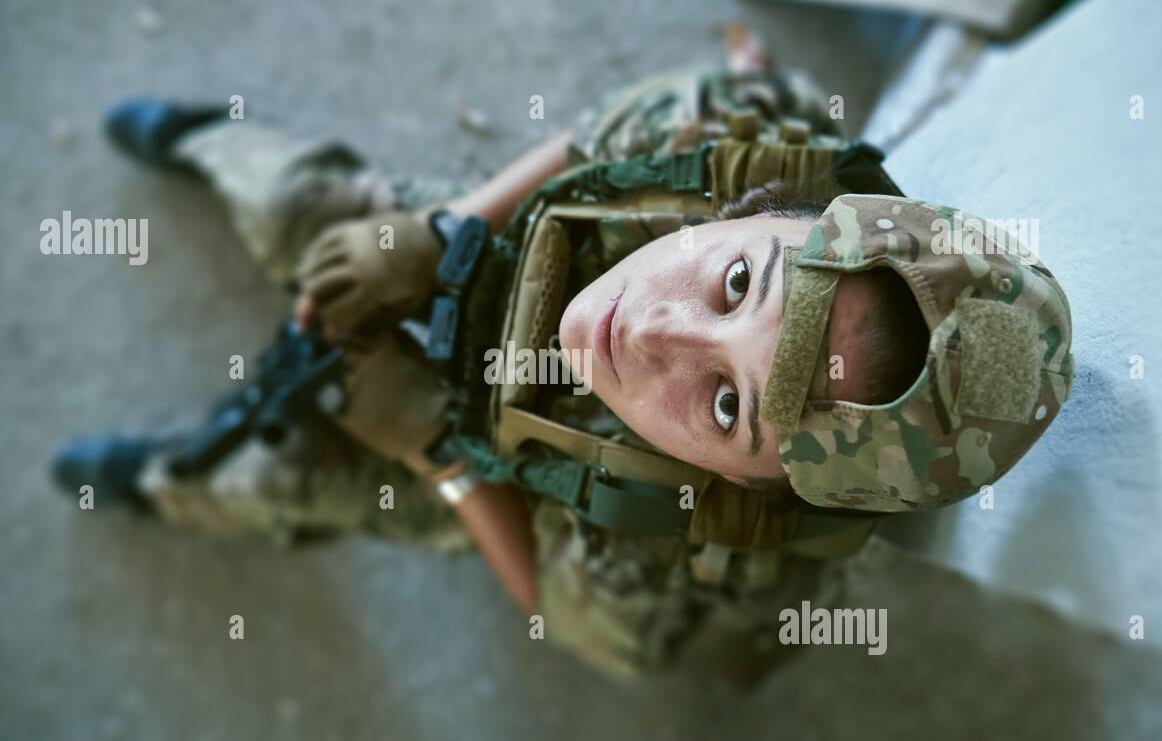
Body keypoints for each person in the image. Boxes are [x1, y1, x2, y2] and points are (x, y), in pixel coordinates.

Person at [53, 52, 1074, 682]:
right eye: (731, 287)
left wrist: (432, 457)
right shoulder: (735, 133)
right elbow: (587, 141)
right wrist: (434, 230)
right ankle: (203, 140)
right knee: (302, 211)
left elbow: (556, 604)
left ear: (749, 483)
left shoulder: (699, 551)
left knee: (275, 477)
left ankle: (154, 483)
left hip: (491, 478)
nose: (657, 338)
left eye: (727, 405)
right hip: (486, 259)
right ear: (762, 206)